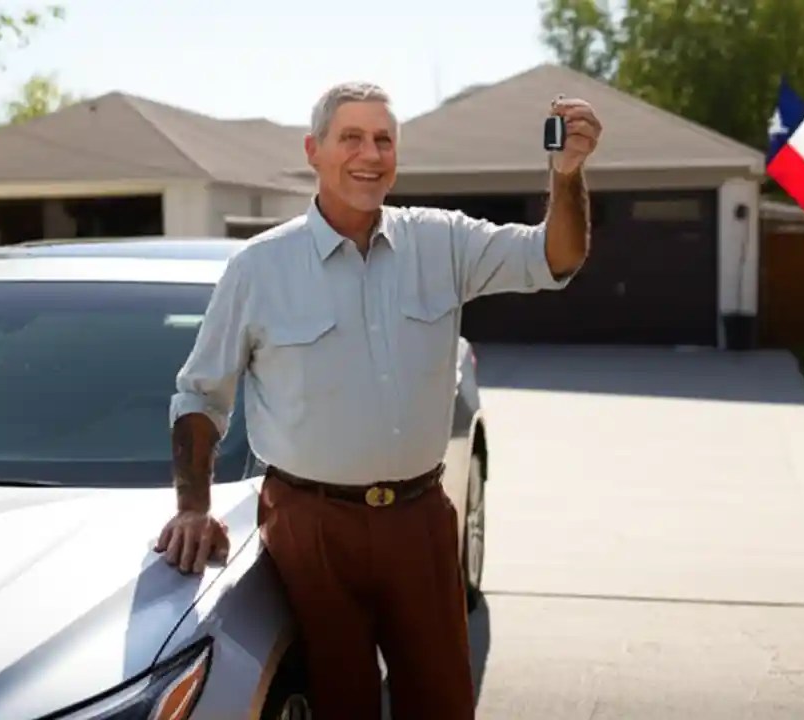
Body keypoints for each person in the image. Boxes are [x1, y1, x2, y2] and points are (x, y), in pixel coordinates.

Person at [155, 81, 602, 720]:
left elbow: (556, 256)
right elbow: (201, 396)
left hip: (418, 523)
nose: (370, 153)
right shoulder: (258, 269)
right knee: (341, 704)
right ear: (314, 150)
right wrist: (193, 508)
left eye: (384, 139)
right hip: (310, 528)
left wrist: (568, 176)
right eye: (352, 138)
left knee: (443, 702)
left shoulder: (442, 242)